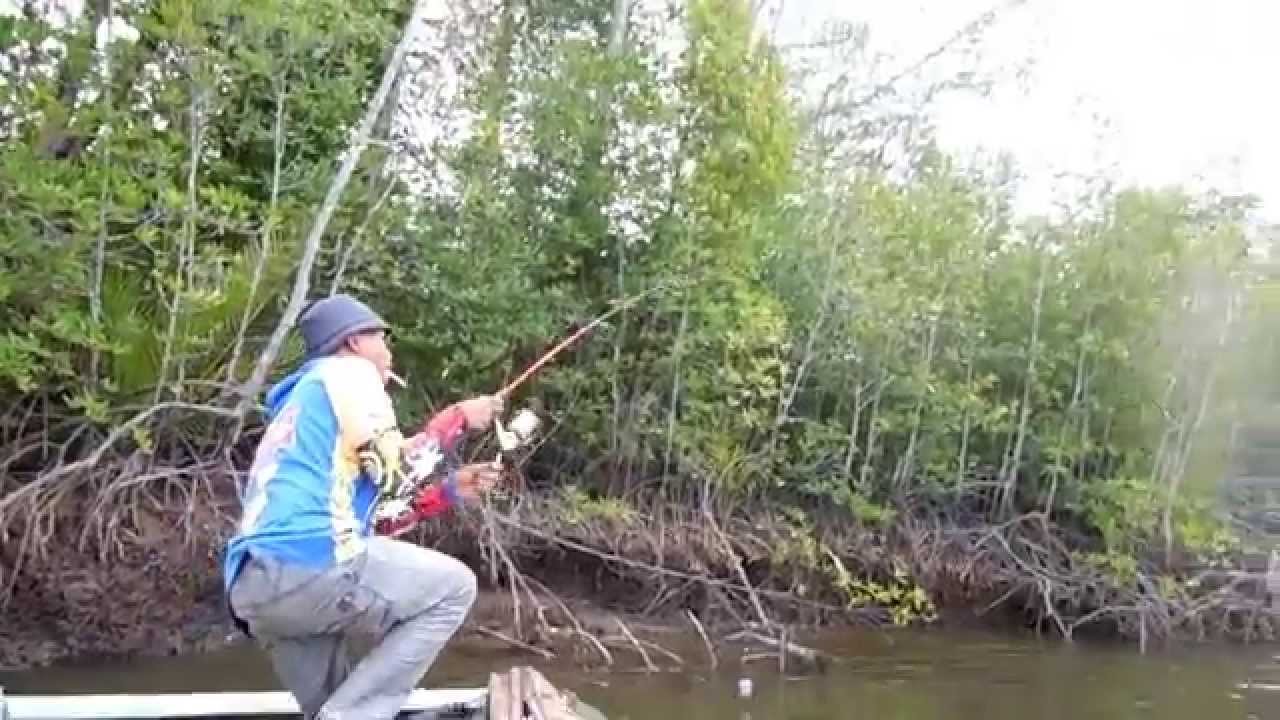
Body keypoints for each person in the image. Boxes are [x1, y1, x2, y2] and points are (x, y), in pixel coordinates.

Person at [222, 293, 503, 720]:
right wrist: (459, 418)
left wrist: (448, 491)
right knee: (454, 589)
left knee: (338, 702)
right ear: (354, 341)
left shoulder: (305, 406)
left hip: (254, 587)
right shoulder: (349, 375)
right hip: (312, 561)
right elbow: (396, 473)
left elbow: (377, 513)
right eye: (382, 340)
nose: (388, 353)